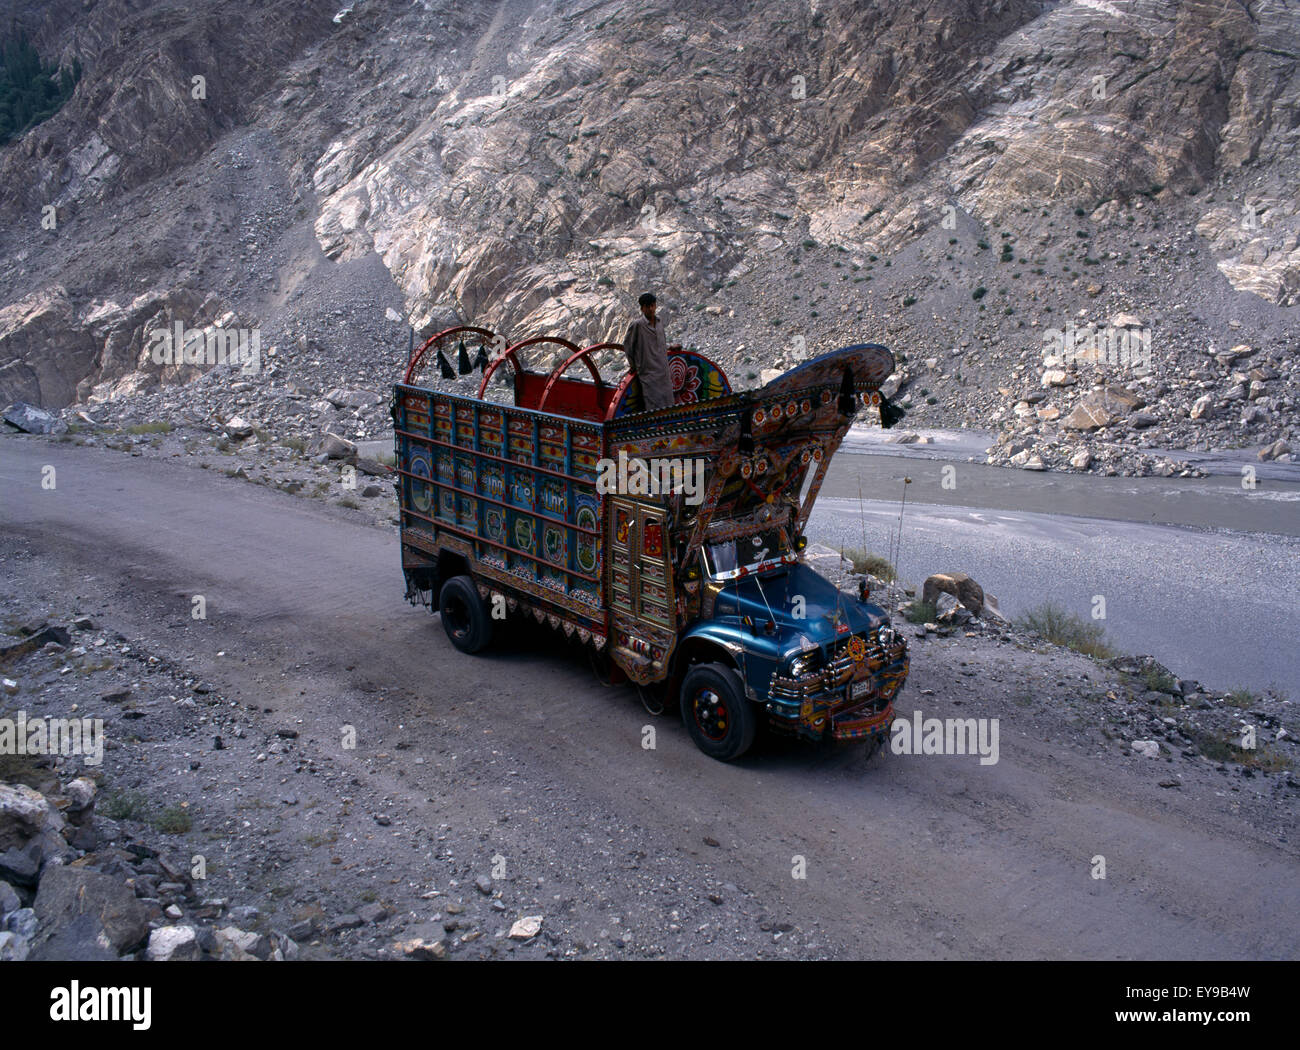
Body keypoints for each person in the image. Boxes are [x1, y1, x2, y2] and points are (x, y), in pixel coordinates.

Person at [622, 292, 681, 411]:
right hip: (648, 374)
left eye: (652, 305)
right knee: (654, 407)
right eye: (647, 306)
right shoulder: (637, 325)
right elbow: (628, 346)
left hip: (663, 372)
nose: (650, 309)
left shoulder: (659, 323)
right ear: (642, 308)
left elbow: (659, 342)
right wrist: (634, 366)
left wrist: (669, 348)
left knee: (669, 404)